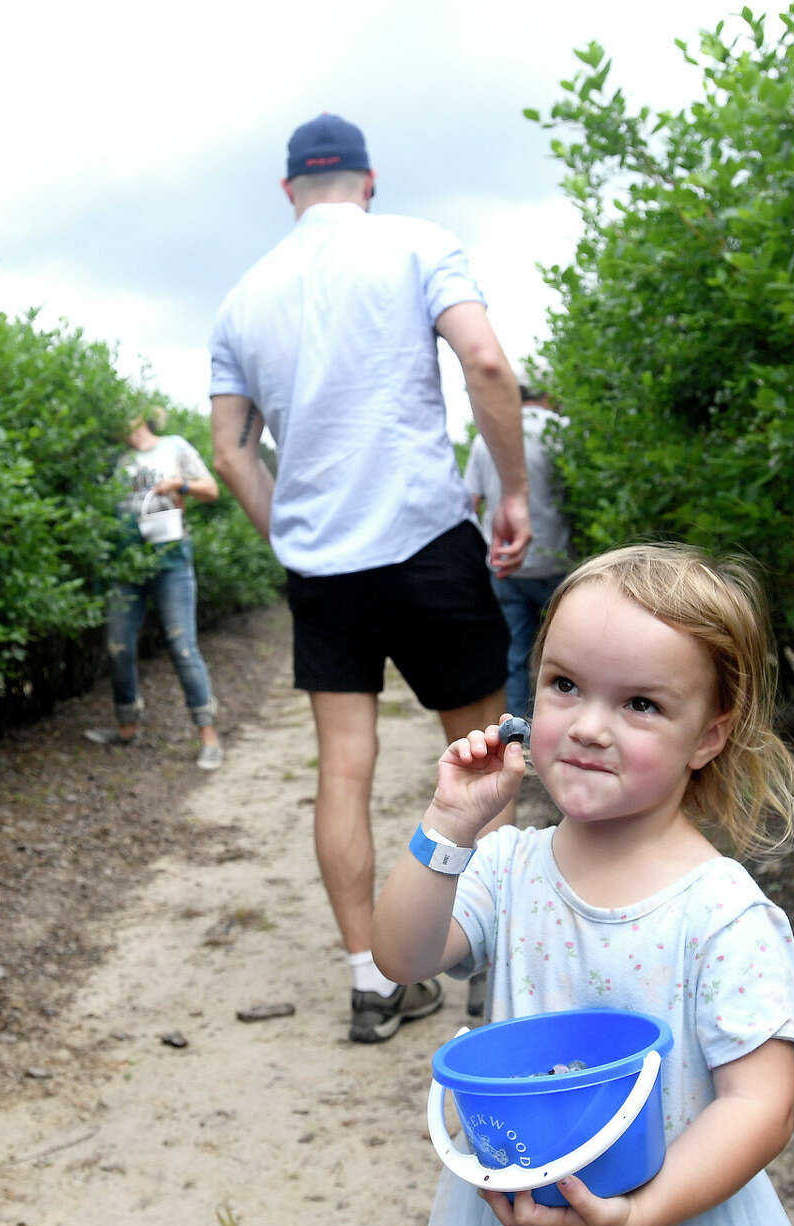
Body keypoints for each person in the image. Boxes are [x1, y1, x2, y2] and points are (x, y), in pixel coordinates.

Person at [373, 543, 794, 1226]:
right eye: (565, 685)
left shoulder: (722, 916)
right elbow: (402, 958)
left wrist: (640, 1213)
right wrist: (447, 826)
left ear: (708, 736)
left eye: (641, 704)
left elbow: (760, 1106)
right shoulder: (507, 866)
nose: (587, 726)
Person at [208, 112, 534, 1043]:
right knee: (482, 753)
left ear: (288, 191)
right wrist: (512, 492)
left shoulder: (241, 300)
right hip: (426, 539)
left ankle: (372, 984)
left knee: (343, 770)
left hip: (324, 569)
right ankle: (490, 969)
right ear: (369, 179)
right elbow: (485, 361)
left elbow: (231, 452)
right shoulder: (419, 246)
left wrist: (292, 538)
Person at [84, 409, 226, 770]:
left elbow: (211, 489)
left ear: (139, 414)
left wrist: (179, 486)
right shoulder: (113, 457)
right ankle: (127, 726)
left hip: (171, 560)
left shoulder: (174, 447)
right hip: (125, 563)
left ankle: (208, 736)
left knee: (182, 646)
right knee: (118, 646)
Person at [462, 382, 571, 719]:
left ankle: (517, 732)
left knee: (515, 654)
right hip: (558, 562)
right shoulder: (564, 433)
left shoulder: (486, 438)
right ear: (548, 397)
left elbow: (470, 503)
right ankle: (561, 723)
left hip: (505, 565)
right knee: (568, 656)